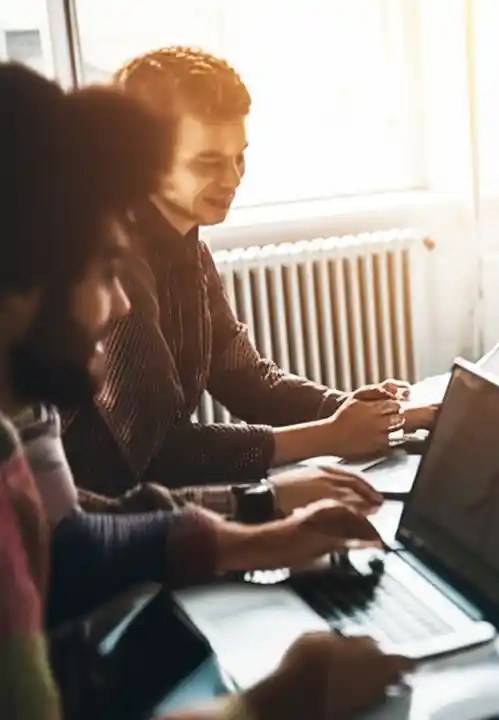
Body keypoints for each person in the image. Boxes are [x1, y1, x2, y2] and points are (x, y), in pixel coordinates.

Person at [0, 62, 410, 720]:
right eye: (102, 271)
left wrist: (265, 527)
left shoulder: (15, 418)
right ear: (24, 270)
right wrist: (281, 701)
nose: (116, 308)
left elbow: (66, 544)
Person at [60, 46, 435, 516]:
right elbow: (162, 454)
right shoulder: (114, 268)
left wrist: (363, 415)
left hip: (170, 514)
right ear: (143, 162)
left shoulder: (187, 244)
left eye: (239, 158)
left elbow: (247, 379)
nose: (233, 177)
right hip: (110, 531)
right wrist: (330, 435)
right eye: (208, 162)